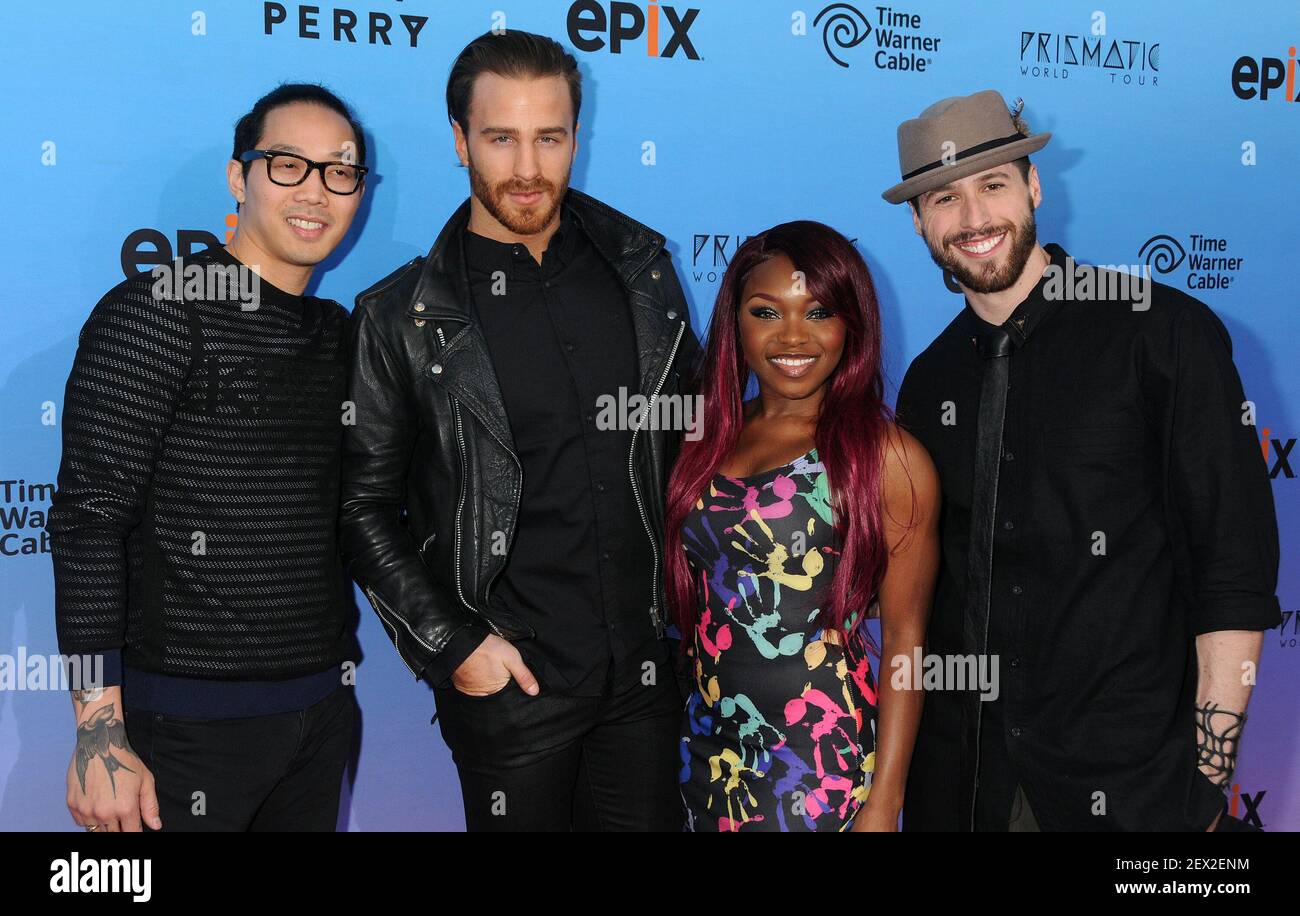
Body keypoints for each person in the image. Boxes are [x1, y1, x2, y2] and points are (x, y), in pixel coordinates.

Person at [884, 89, 1282, 831]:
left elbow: (1232, 572)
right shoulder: (931, 381)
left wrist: (1203, 785)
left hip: (1137, 792)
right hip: (967, 786)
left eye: (993, 185)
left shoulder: (1162, 336)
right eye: (944, 199)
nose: (973, 220)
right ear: (918, 222)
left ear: (1034, 184)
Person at [340, 30, 701, 831]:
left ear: (579, 136)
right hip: (513, 689)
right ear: (460, 140)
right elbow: (361, 509)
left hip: (646, 678)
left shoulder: (643, 272)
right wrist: (453, 647)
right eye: (501, 138)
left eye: (551, 137)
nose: (529, 168)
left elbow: (698, 446)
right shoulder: (399, 318)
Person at [49, 83, 368, 832]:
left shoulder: (340, 335)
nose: (316, 191)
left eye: (339, 172)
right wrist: (100, 732)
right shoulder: (158, 310)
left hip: (320, 715)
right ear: (239, 178)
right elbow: (89, 521)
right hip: (179, 729)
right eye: (288, 164)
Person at [667, 221, 939, 831]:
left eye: (818, 311)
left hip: (817, 761)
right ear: (736, 323)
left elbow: (905, 642)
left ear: (852, 323)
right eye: (766, 312)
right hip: (707, 749)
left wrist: (885, 801)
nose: (793, 336)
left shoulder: (889, 458)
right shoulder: (703, 437)